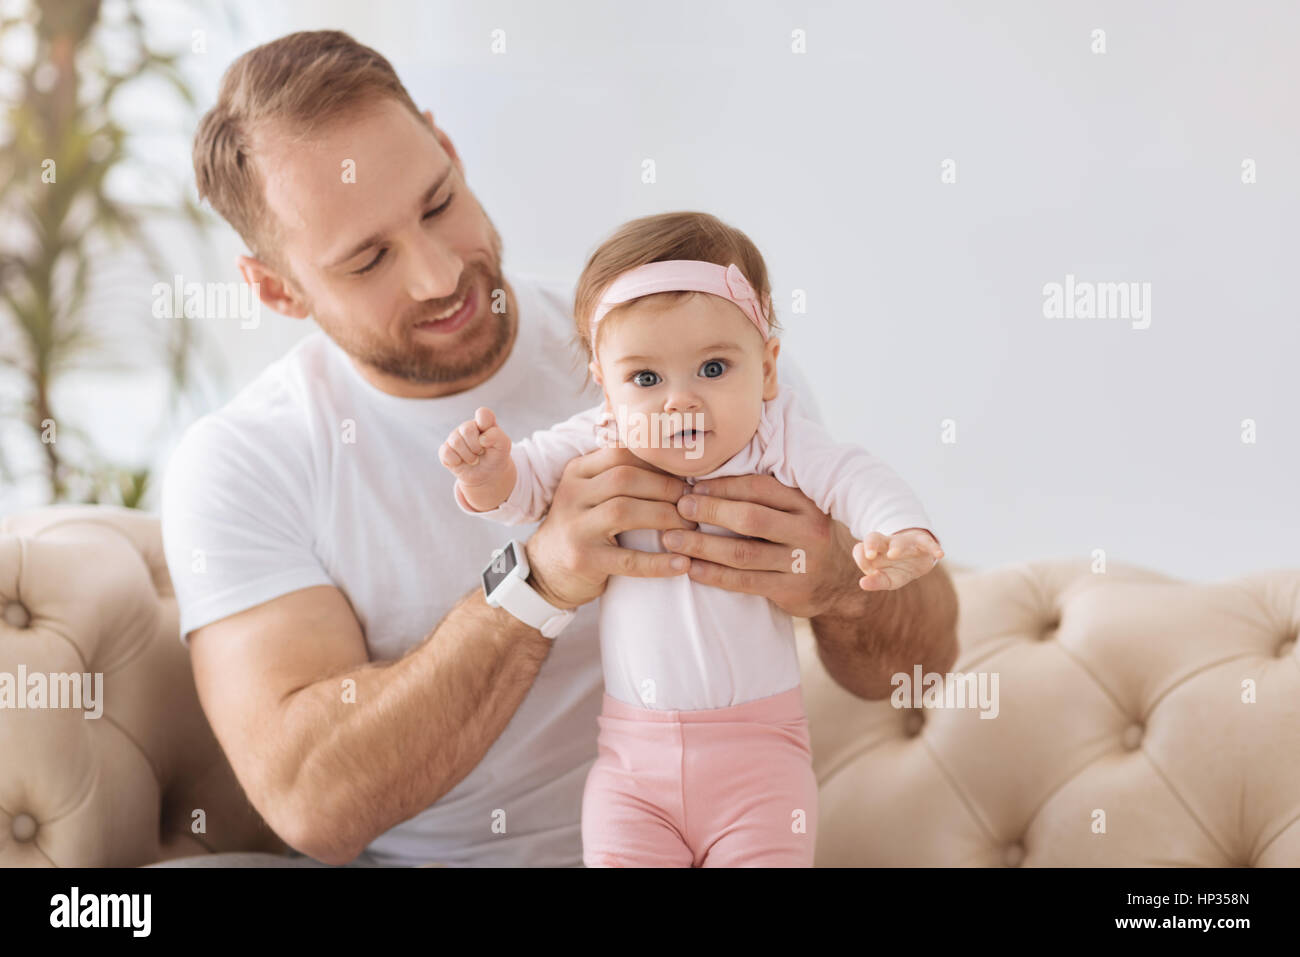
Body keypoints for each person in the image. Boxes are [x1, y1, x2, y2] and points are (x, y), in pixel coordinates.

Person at [159, 29, 958, 868]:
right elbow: (312, 803)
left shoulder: (675, 339)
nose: (438, 276)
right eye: (368, 260)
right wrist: (537, 583)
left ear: (449, 148)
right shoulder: (245, 464)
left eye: (437, 204)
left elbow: (924, 663)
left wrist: (840, 584)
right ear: (277, 289)